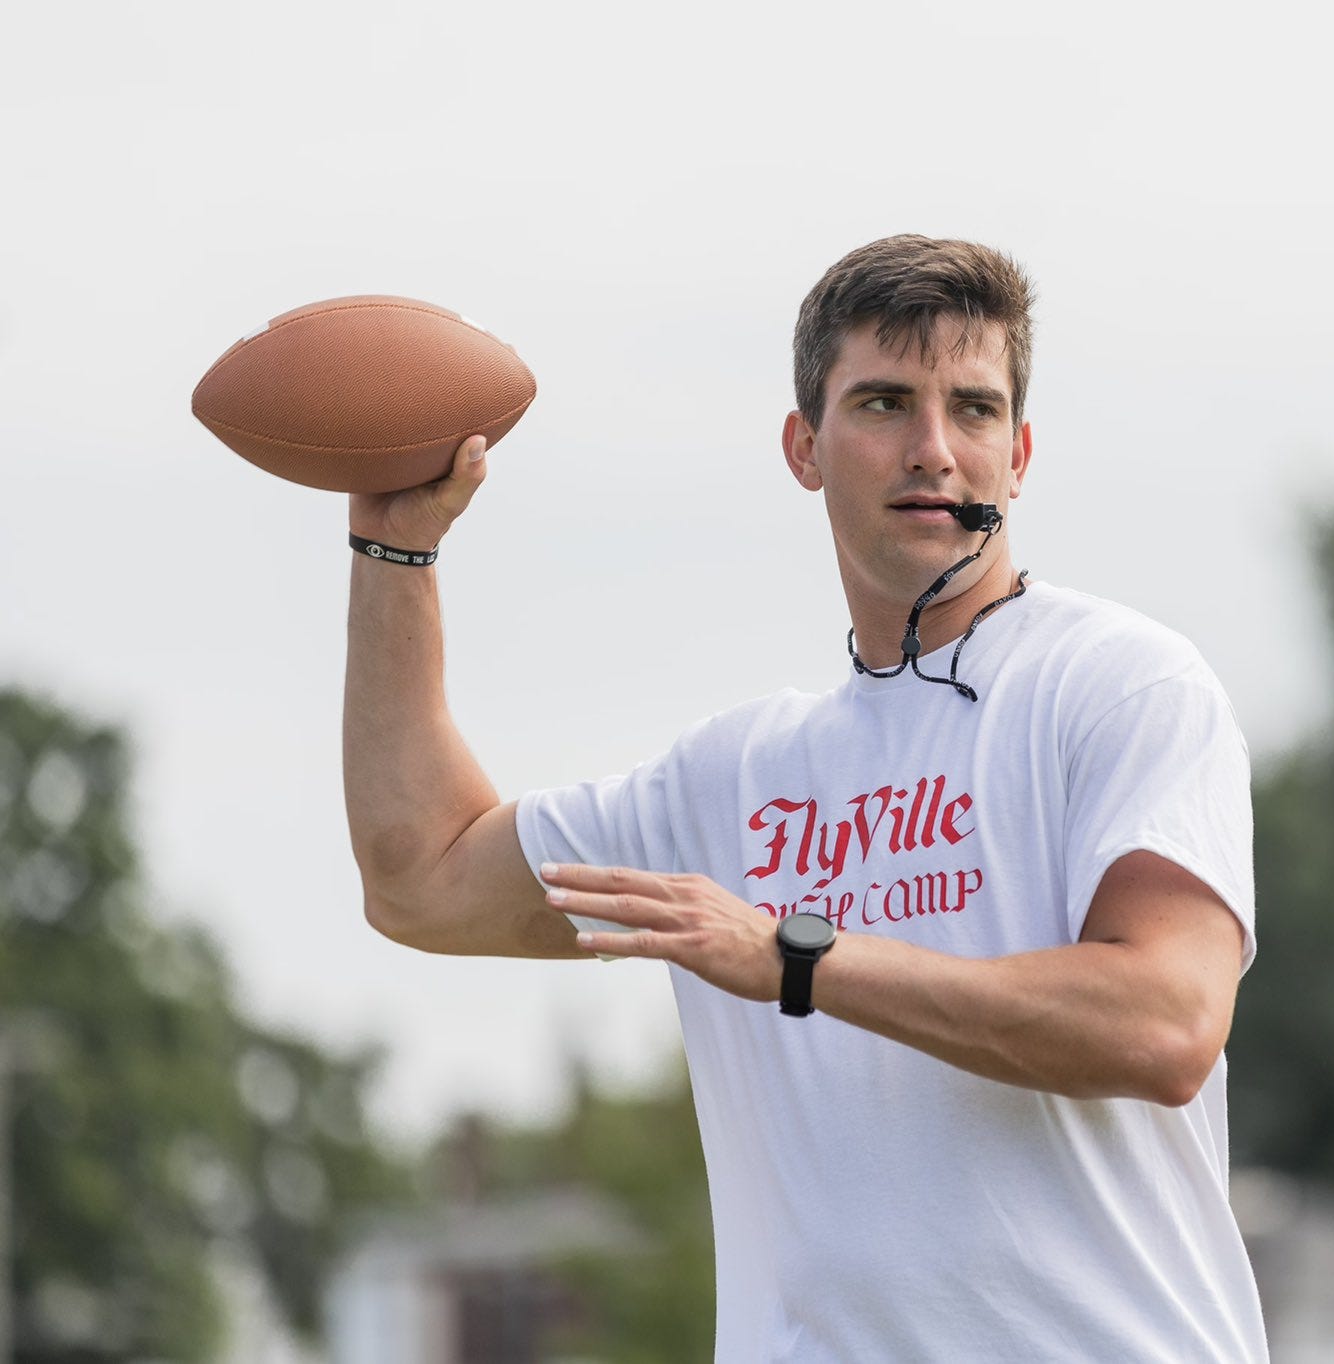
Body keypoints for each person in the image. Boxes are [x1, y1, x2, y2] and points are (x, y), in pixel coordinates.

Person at [343, 235, 1268, 1361]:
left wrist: (794, 957)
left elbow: (1166, 1020)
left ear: (1018, 454)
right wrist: (395, 553)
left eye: (972, 409)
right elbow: (423, 880)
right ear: (804, 447)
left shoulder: (1117, 683)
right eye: (883, 402)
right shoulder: (734, 779)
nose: (934, 450)